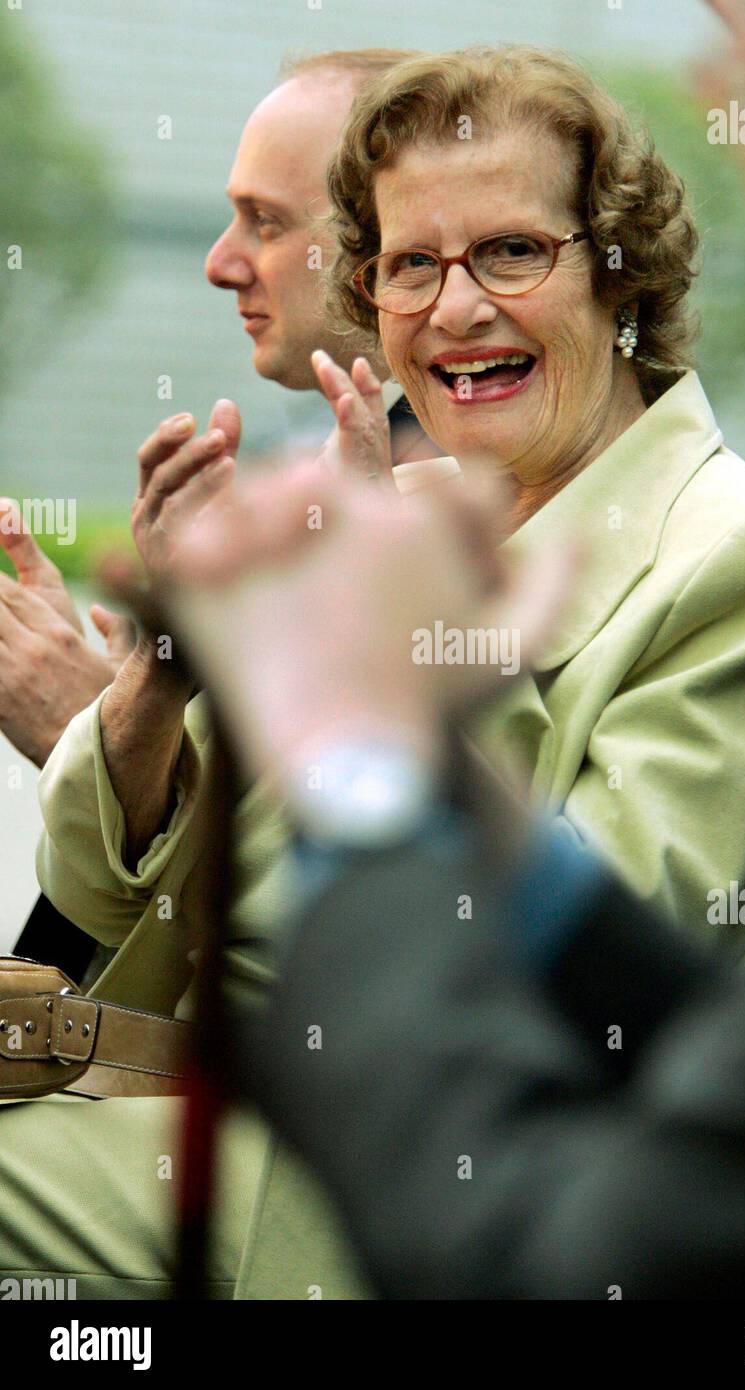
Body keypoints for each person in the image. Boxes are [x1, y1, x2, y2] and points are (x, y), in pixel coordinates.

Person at [146, 0, 745, 1297]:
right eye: (408, 265)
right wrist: (161, 694)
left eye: (510, 251)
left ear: (621, 274)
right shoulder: (396, 526)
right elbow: (185, 920)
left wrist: (381, 713)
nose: (455, 309)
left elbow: (590, 1005)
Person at [0, 48, 431, 1304]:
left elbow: (322, 934)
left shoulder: (467, 524)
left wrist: (98, 721)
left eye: (262, 221)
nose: (218, 262)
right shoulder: (317, 481)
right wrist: (140, 702)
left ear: (380, 249)